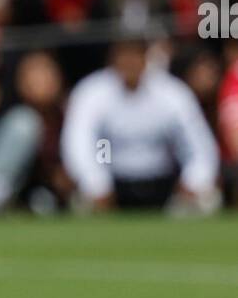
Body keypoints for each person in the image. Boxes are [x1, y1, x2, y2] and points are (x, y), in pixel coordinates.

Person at [61, 35, 220, 210]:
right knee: (82, 203)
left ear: (146, 58)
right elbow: (79, 143)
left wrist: (195, 180)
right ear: (112, 59)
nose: (130, 62)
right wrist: (94, 183)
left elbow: (199, 144)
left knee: (208, 199)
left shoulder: (172, 93)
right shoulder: (92, 92)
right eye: (123, 56)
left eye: (135, 55)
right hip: (110, 187)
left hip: (165, 186)